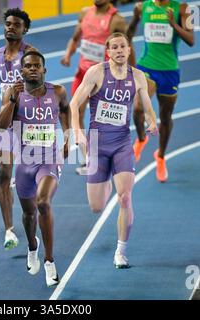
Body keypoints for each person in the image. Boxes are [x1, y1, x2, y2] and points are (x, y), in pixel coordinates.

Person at [70, 32, 158, 268]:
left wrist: (152, 120)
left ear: (129, 50)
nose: (119, 51)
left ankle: (121, 251)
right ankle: (106, 180)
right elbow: (74, 103)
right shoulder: (97, 72)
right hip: (97, 143)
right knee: (96, 207)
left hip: (121, 142)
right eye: (114, 47)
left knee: (125, 197)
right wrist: (76, 131)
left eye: (123, 47)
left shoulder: (137, 76)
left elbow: (148, 106)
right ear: (108, 51)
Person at [0, 51, 70, 286]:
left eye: (37, 65)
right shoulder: (13, 93)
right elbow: (1, 125)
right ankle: (32, 247)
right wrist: (12, 101)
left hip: (49, 159)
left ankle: (50, 262)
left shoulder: (57, 91)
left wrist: (67, 136)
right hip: (25, 162)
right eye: (28, 66)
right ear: (22, 71)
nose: (33, 69)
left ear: (44, 70)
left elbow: (67, 110)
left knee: (43, 203)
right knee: (29, 215)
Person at [0, 8, 34, 250]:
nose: (11, 27)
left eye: (17, 25)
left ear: (25, 30)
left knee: (28, 179)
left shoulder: (31, 56)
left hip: (29, 124)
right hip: (5, 126)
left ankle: (32, 219)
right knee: (3, 173)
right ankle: (9, 231)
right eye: (8, 23)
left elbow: (42, 89)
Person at [61, 0, 133, 175]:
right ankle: (89, 159)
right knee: (75, 114)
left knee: (106, 121)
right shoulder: (85, 13)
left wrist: (131, 75)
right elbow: (76, 37)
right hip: (83, 74)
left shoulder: (116, 20)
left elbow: (127, 48)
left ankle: (111, 157)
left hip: (104, 78)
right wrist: (68, 54)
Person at [127, 0, 194, 182]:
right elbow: (128, 35)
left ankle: (161, 156)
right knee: (138, 108)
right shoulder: (143, 7)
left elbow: (191, 40)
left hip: (169, 70)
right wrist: (134, 18)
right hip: (147, 65)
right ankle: (141, 139)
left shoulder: (183, 9)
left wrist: (173, 24)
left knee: (165, 117)